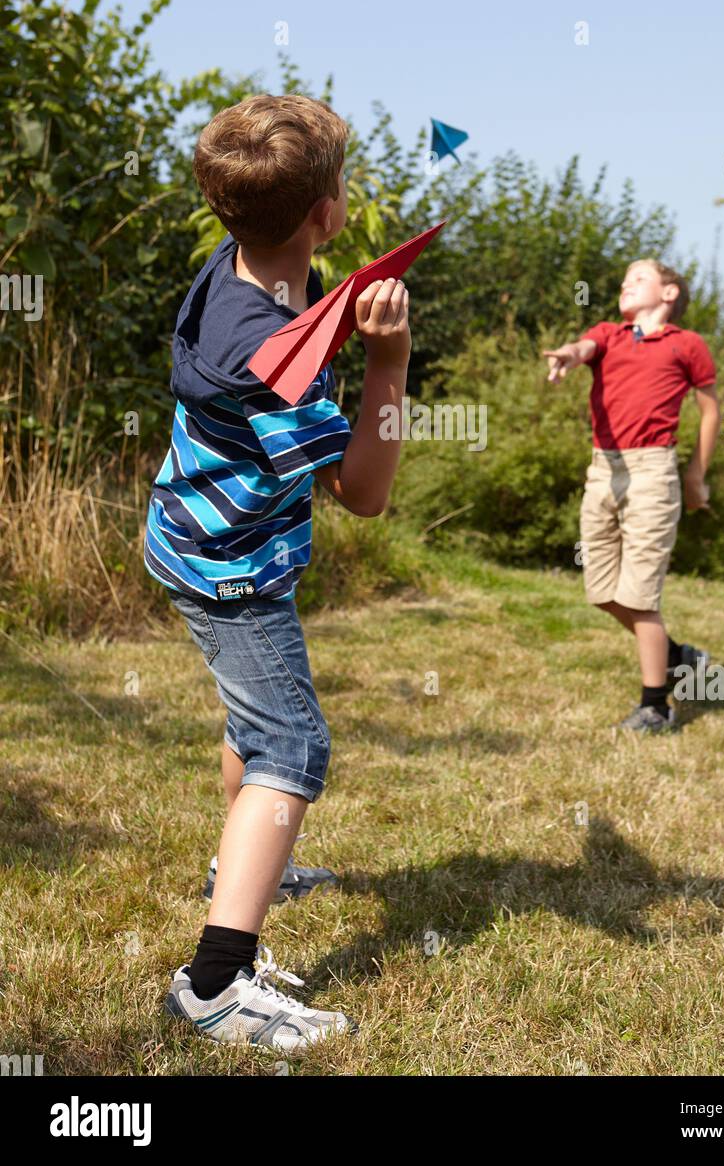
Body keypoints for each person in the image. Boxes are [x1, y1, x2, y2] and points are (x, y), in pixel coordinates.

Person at [145, 93, 411, 1052]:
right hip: (234, 569)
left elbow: (285, 324)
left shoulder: (238, 272)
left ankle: (244, 868)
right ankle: (216, 981)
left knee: (249, 721)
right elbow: (365, 491)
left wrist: (340, 316)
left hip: (196, 536)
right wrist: (388, 359)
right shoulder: (270, 359)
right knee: (290, 748)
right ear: (327, 213)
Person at [544, 259, 721, 734]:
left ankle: (656, 706)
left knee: (641, 596)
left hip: (652, 473)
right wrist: (566, 354)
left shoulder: (687, 344)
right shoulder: (609, 333)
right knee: (602, 591)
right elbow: (583, 347)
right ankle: (679, 656)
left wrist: (696, 474)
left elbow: (709, 411)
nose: (626, 283)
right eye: (624, 278)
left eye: (639, 278)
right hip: (603, 469)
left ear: (669, 293)